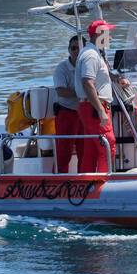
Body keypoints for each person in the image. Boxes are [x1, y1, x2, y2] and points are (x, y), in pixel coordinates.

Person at [76, 19, 130, 173]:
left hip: (90, 107)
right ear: (98, 35)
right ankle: (104, 181)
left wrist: (117, 79)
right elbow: (87, 83)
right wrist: (100, 111)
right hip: (94, 108)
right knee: (107, 144)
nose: (110, 37)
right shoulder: (91, 55)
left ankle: (88, 181)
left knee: (92, 149)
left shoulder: (93, 53)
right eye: (107, 34)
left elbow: (98, 75)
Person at [51, 35, 83, 173]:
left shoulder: (88, 66)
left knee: (85, 151)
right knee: (63, 153)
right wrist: (83, 92)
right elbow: (61, 91)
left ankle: (84, 180)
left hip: (85, 113)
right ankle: (58, 180)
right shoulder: (61, 68)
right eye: (73, 48)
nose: (76, 51)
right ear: (69, 50)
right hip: (66, 113)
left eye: (79, 48)